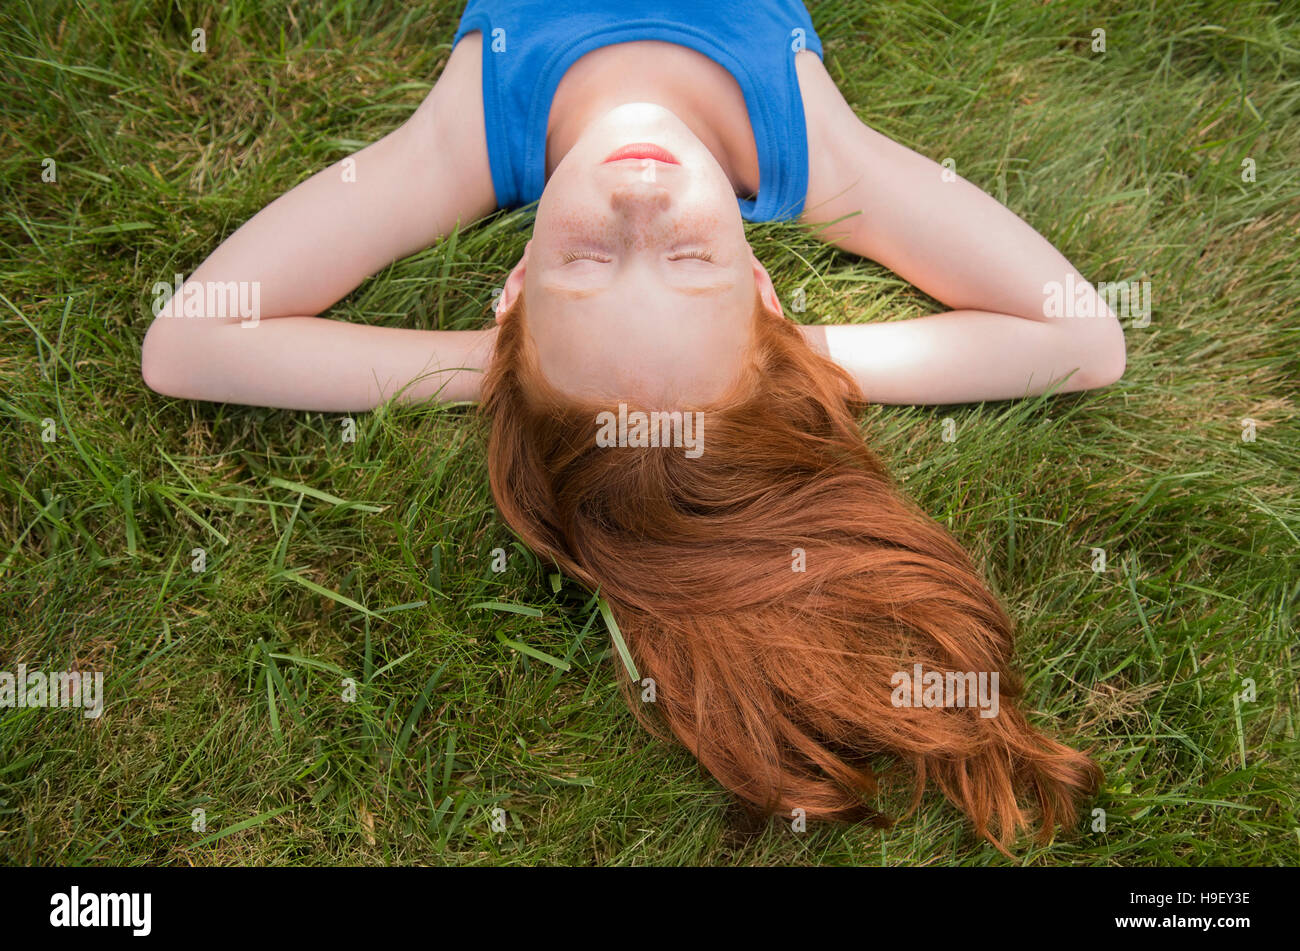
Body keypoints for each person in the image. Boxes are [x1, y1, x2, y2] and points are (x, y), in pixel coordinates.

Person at [142, 0, 1123, 854]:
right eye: (692, 260)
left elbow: (188, 341)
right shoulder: (814, 152)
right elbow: (1080, 336)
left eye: (585, 265)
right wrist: (762, 360)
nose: (641, 200)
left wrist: (538, 370)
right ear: (760, 288)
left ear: (514, 289)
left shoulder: (464, 139)